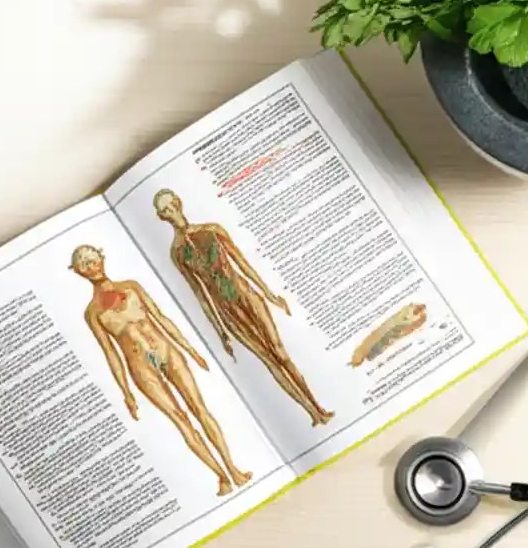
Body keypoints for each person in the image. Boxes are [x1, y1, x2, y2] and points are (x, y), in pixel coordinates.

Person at [71, 244, 251, 496]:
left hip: (167, 351)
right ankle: (221, 477)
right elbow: (110, 353)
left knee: (199, 409)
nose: (92, 267)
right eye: (85, 264)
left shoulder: (131, 287)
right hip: (139, 366)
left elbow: (161, 318)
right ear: (78, 271)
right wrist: (126, 392)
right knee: (180, 419)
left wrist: (190, 350)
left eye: (93, 259)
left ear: (102, 257)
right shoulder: (92, 313)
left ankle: (233, 469)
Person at [153, 188, 334, 426]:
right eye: (164, 210)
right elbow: (200, 294)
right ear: (162, 217)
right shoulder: (176, 252)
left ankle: (318, 405)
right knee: (269, 360)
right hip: (228, 311)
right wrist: (220, 331)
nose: (171, 211)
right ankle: (311, 412)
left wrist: (269, 294)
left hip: (247, 296)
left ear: (179, 203)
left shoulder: (212, 230)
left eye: (171, 205)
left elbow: (241, 263)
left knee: (279, 351)